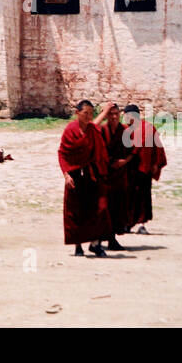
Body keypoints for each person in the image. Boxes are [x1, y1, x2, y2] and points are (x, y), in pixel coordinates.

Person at [59, 100, 108, 257]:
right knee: (75, 210)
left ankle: (95, 243)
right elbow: (62, 153)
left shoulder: (92, 129)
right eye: (85, 113)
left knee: (98, 207)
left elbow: (96, 123)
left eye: (90, 114)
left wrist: (106, 111)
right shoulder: (70, 130)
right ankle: (78, 245)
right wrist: (66, 175)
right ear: (77, 113)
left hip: (90, 173)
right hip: (73, 175)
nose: (88, 117)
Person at [123, 105, 167, 234]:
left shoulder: (147, 129)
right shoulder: (127, 130)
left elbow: (157, 148)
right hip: (132, 169)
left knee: (140, 196)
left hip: (142, 169)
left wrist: (155, 164)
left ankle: (139, 224)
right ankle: (130, 224)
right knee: (133, 196)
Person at [96, 101, 130, 248]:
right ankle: (103, 237)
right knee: (105, 206)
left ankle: (112, 238)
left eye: (116, 114)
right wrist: (109, 163)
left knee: (117, 206)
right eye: (111, 114)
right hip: (106, 172)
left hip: (120, 173)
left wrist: (124, 162)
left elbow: (133, 151)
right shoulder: (103, 130)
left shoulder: (125, 131)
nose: (114, 117)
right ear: (107, 116)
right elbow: (92, 130)